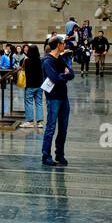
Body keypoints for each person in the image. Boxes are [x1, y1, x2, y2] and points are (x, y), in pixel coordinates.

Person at [41, 36, 74, 166]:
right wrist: (64, 75)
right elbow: (54, 78)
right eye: (63, 43)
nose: (64, 45)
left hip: (63, 97)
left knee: (63, 128)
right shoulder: (47, 61)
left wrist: (65, 75)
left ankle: (60, 154)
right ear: (57, 45)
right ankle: (46, 155)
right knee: (51, 127)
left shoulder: (60, 58)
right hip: (53, 97)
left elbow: (71, 73)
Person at [19, 43, 45, 128]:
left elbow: (21, 68)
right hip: (40, 85)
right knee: (39, 103)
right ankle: (40, 122)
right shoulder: (40, 60)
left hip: (30, 85)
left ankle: (29, 121)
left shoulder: (27, 60)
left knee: (29, 102)